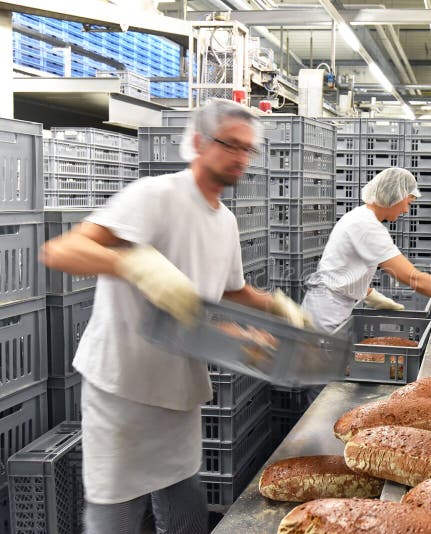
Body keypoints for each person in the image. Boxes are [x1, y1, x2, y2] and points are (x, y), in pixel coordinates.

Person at [40, 99, 306, 534]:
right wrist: (134, 265)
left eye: (248, 149)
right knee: (119, 511)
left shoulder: (225, 222)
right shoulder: (155, 196)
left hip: (178, 382)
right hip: (124, 382)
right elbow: (62, 250)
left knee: (183, 502)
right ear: (199, 143)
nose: (241, 158)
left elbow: (229, 290)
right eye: (230, 145)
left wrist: (276, 308)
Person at [302, 167, 431, 333]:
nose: (405, 210)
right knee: (318, 378)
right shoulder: (366, 226)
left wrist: (370, 294)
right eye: (407, 202)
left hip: (332, 305)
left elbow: (342, 267)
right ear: (392, 196)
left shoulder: (360, 217)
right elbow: (414, 278)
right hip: (327, 315)